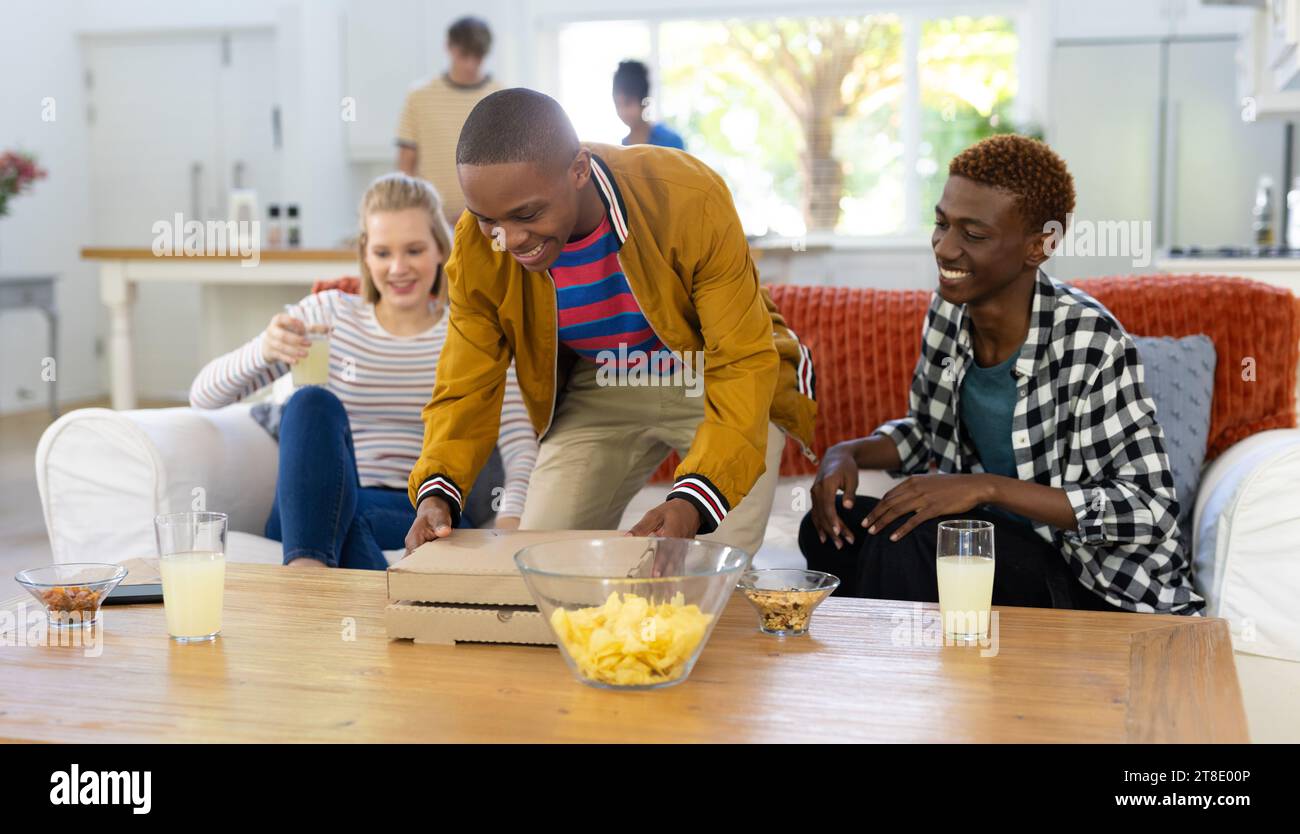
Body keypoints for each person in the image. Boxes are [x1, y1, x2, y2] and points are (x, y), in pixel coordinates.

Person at [404, 89, 817, 559]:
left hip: (715, 375)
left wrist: (694, 500)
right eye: (487, 219)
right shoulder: (480, 246)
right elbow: (466, 381)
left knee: (706, 575)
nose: (509, 239)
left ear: (579, 170)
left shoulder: (690, 197)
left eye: (528, 214)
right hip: (603, 378)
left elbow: (742, 360)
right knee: (539, 565)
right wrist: (437, 492)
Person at [799, 134, 1203, 615]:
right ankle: (888, 667)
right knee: (830, 531)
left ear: (1039, 246)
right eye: (941, 223)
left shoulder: (1091, 341)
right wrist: (845, 452)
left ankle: (887, 680)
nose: (945, 249)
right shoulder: (949, 313)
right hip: (996, 543)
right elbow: (927, 435)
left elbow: (1149, 510)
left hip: (1089, 579)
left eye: (973, 235)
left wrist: (987, 486)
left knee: (907, 545)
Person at [190, 173, 536, 569]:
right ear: (365, 255)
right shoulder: (327, 313)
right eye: (383, 253)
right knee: (311, 401)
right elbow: (203, 397)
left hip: (415, 509)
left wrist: (509, 526)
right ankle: (320, 581)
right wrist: (263, 350)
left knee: (349, 519)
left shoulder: (470, 331)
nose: (398, 268)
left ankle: (307, 581)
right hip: (309, 501)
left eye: (414, 250)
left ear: (441, 250)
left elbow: (518, 442)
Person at [396, 16, 500, 224]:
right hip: (429, 217)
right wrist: (421, 209)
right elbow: (405, 164)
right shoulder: (419, 96)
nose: (471, 64)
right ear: (449, 47)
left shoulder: (500, 96)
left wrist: (474, 210)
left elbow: (504, 165)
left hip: (484, 218)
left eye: (478, 57)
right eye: (464, 55)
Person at [612, 60, 685, 150]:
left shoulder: (671, 142)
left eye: (628, 103)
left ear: (644, 101)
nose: (622, 111)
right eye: (617, 104)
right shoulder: (621, 148)